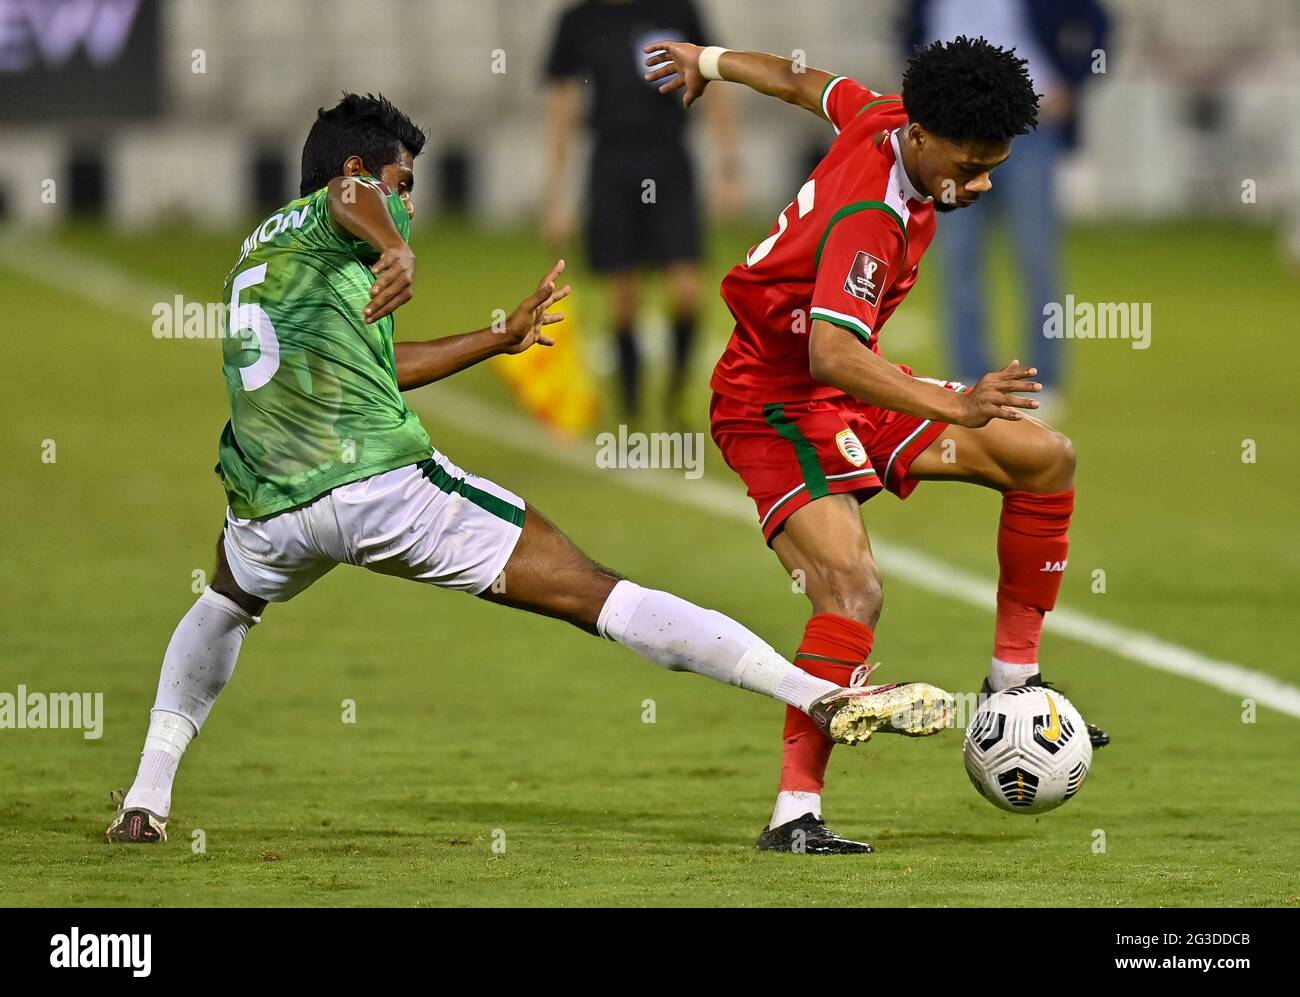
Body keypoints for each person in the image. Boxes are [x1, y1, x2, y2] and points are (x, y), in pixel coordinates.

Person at [106, 93, 954, 846]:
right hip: (381, 492)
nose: (406, 207)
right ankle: (818, 694)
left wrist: (497, 337)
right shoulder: (341, 212)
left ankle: (147, 796)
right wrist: (393, 246)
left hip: (271, 503)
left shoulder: (260, 256)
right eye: (405, 185)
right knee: (598, 592)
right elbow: (348, 192)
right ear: (364, 169)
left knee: (225, 601)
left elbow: (379, 367)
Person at [645, 36, 1109, 854]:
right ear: (925, 141)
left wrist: (709, 61)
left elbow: (800, 80)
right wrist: (953, 403)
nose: (981, 184)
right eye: (969, 167)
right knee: (852, 590)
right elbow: (830, 353)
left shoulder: (889, 117)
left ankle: (1012, 683)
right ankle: (795, 814)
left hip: (846, 389)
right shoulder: (870, 220)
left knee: (1045, 458)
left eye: (993, 166)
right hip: (773, 403)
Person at [901, 0, 1111, 409]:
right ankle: (969, 377)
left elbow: (1097, 22)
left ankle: (1043, 381)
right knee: (957, 256)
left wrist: (1073, 83)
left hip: (1029, 122)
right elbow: (910, 28)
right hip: (950, 126)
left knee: (1036, 256)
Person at [542, 0, 742, 422]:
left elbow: (716, 81)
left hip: (669, 161)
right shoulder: (579, 21)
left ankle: (673, 397)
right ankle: (631, 408)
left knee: (687, 291)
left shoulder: (678, 11)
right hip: (612, 166)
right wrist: (557, 196)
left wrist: (727, 168)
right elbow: (563, 106)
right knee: (624, 298)